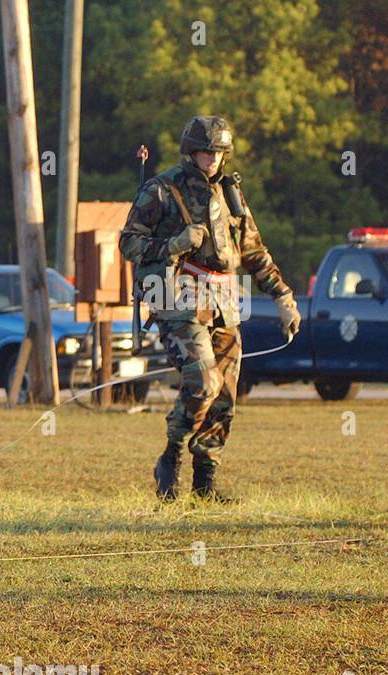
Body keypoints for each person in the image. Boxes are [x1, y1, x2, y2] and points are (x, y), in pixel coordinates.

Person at [120, 116, 300, 501]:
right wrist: (173, 243)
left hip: (224, 302)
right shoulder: (162, 190)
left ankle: (205, 482)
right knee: (203, 383)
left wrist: (283, 298)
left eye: (220, 152)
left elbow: (253, 251)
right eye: (207, 151)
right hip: (178, 299)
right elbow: (128, 244)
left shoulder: (231, 194)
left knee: (224, 399)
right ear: (191, 151)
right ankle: (170, 457)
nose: (214, 159)